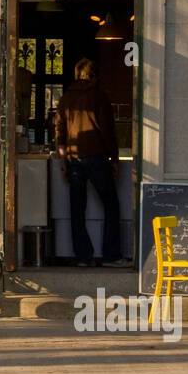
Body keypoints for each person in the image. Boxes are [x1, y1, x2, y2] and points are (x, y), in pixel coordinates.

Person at [54, 58, 123, 266]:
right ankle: (111, 254)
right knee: (111, 205)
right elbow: (107, 131)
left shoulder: (66, 98)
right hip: (96, 157)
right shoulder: (99, 97)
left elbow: (60, 132)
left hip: (75, 158)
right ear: (94, 75)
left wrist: (63, 158)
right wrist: (114, 158)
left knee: (77, 208)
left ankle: (82, 255)